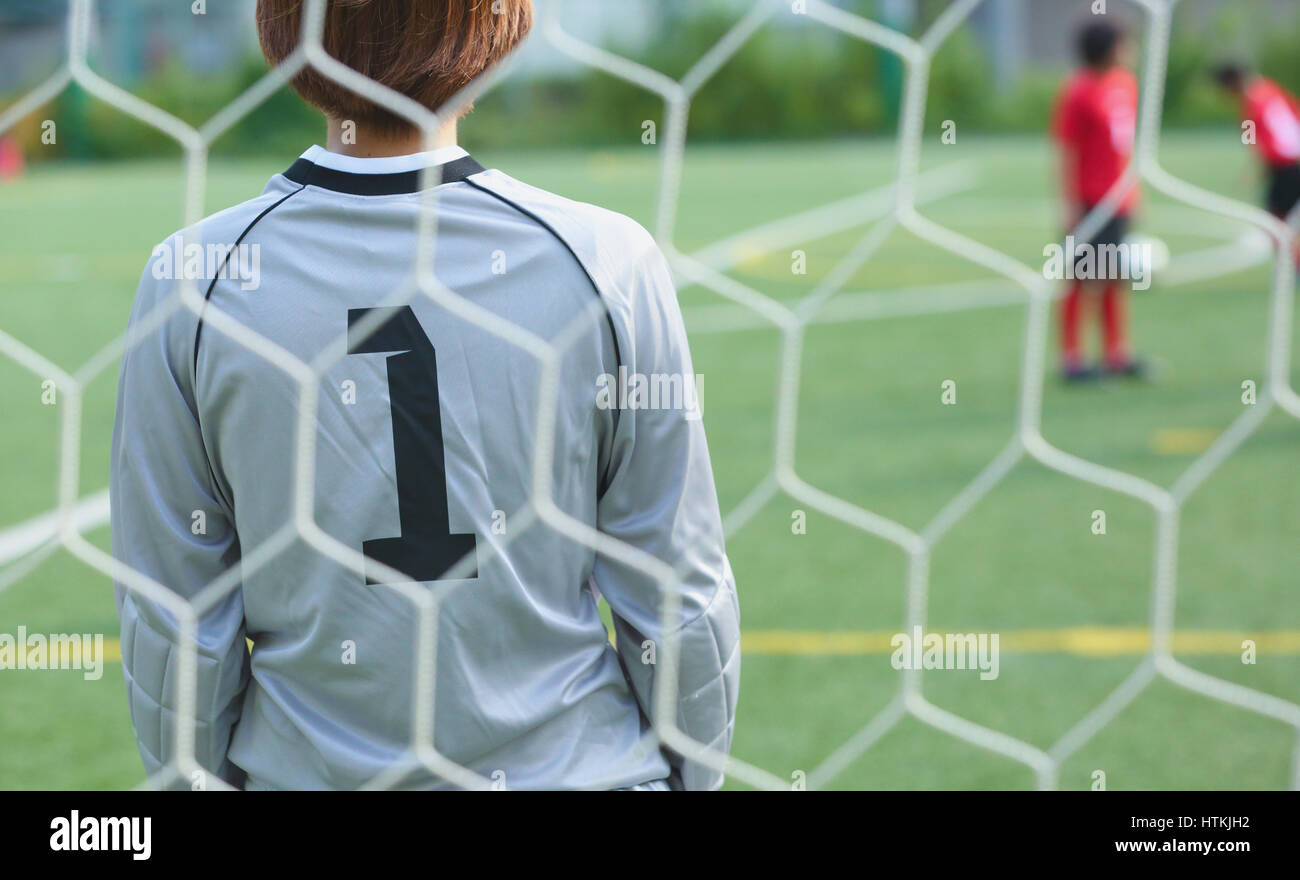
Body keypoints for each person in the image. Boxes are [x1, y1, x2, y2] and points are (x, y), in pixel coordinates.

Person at [111, 0, 738, 791]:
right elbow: (681, 597)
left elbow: (175, 625)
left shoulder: (194, 281)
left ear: (286, 29)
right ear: (497, 26)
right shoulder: (606, 261)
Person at [1051, 20, 1145, 381]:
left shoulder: (1126, 85)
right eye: (1124, 44)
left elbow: (1125, 147)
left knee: (1114, 276)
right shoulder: (1079, 91)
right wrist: (1068, 204)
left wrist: (1136, 190)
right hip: (1090, 200)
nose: (1130, 50)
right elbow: (1066, 150)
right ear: (1107, 49)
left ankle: (1116, 355)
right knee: (1081, 277)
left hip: (1121, 199)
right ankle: (1071, 359)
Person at [1212, 62, 1300, 237]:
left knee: (1277, 224)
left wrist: (1251, 174)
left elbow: (1251, 141)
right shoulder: (1270, 88)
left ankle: (1292, 262)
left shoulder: (1249, 105)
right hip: (1292, 163)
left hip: (1286, 168)